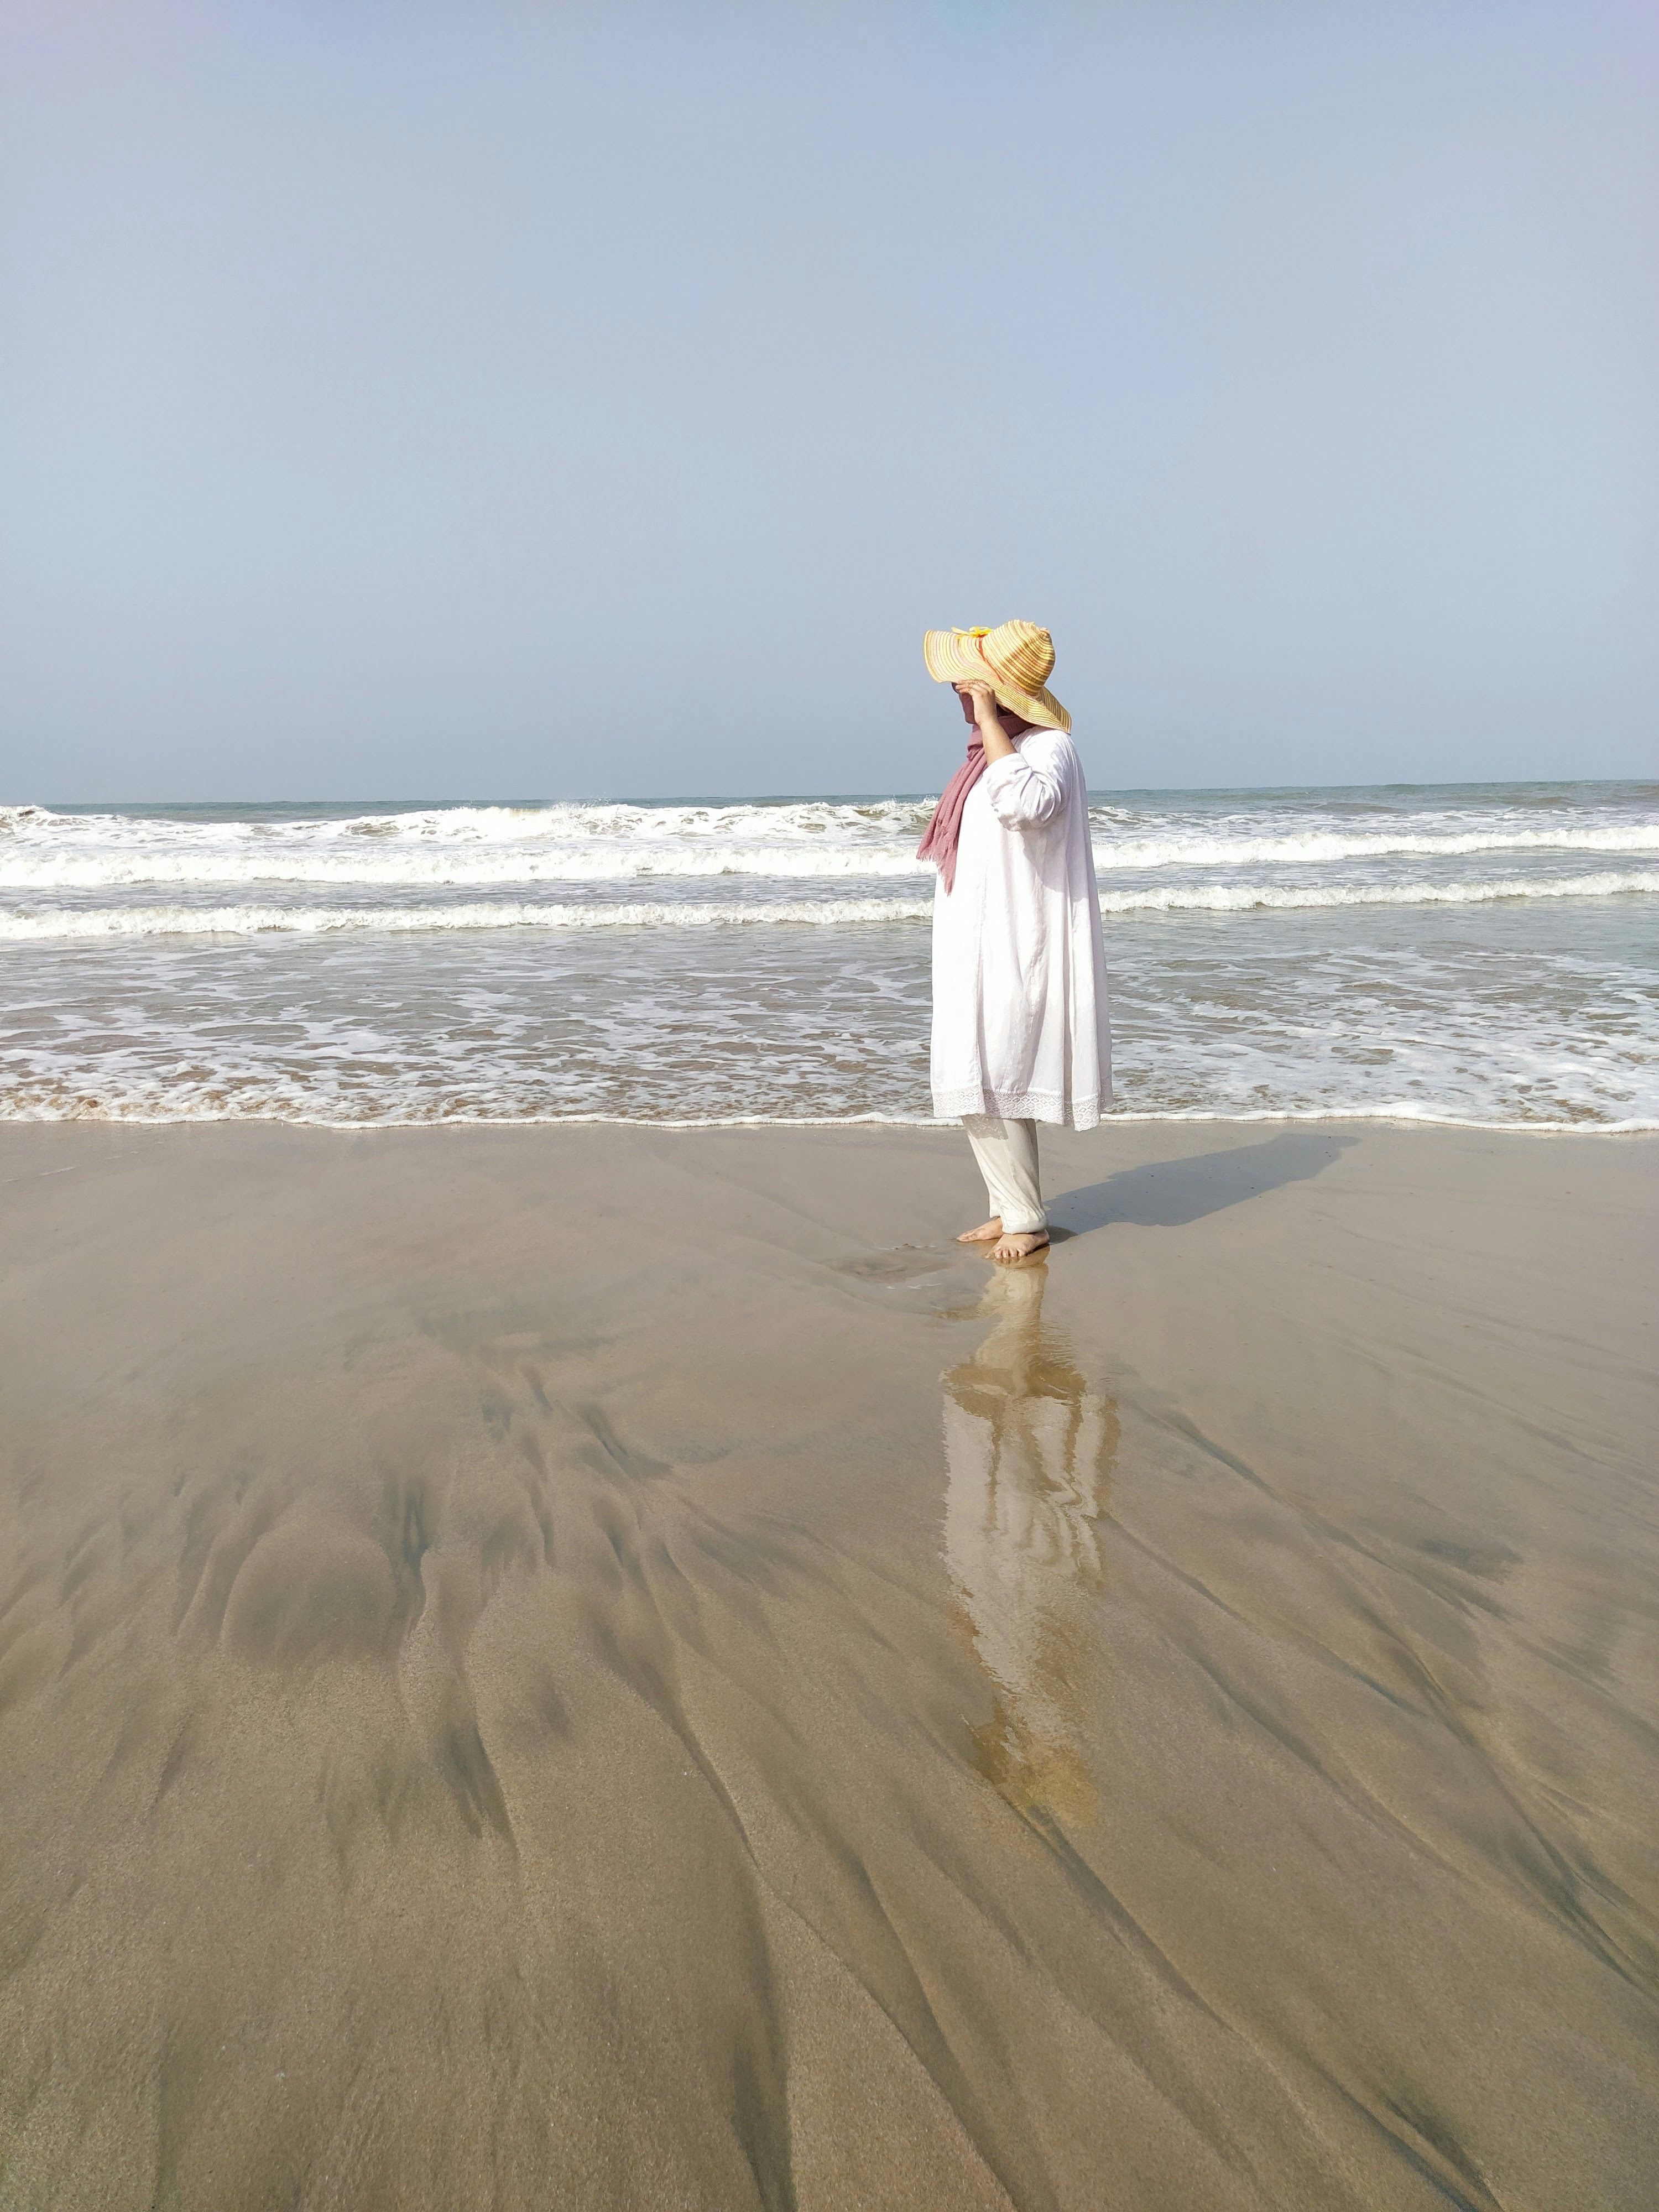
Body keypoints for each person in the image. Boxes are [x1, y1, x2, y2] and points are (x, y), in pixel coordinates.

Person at [916, 620, 1111, 1262]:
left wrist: (992, 722)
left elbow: (1026, 806)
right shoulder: (987, 754)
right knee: (971, 1069)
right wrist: (991, 726)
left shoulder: (1047, 747)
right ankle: (1006, 1205)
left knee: (1001, 1068)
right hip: (975, 939)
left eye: (973, 690)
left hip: (1016, 939)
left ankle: (1028, 1216)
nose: (962, 701)